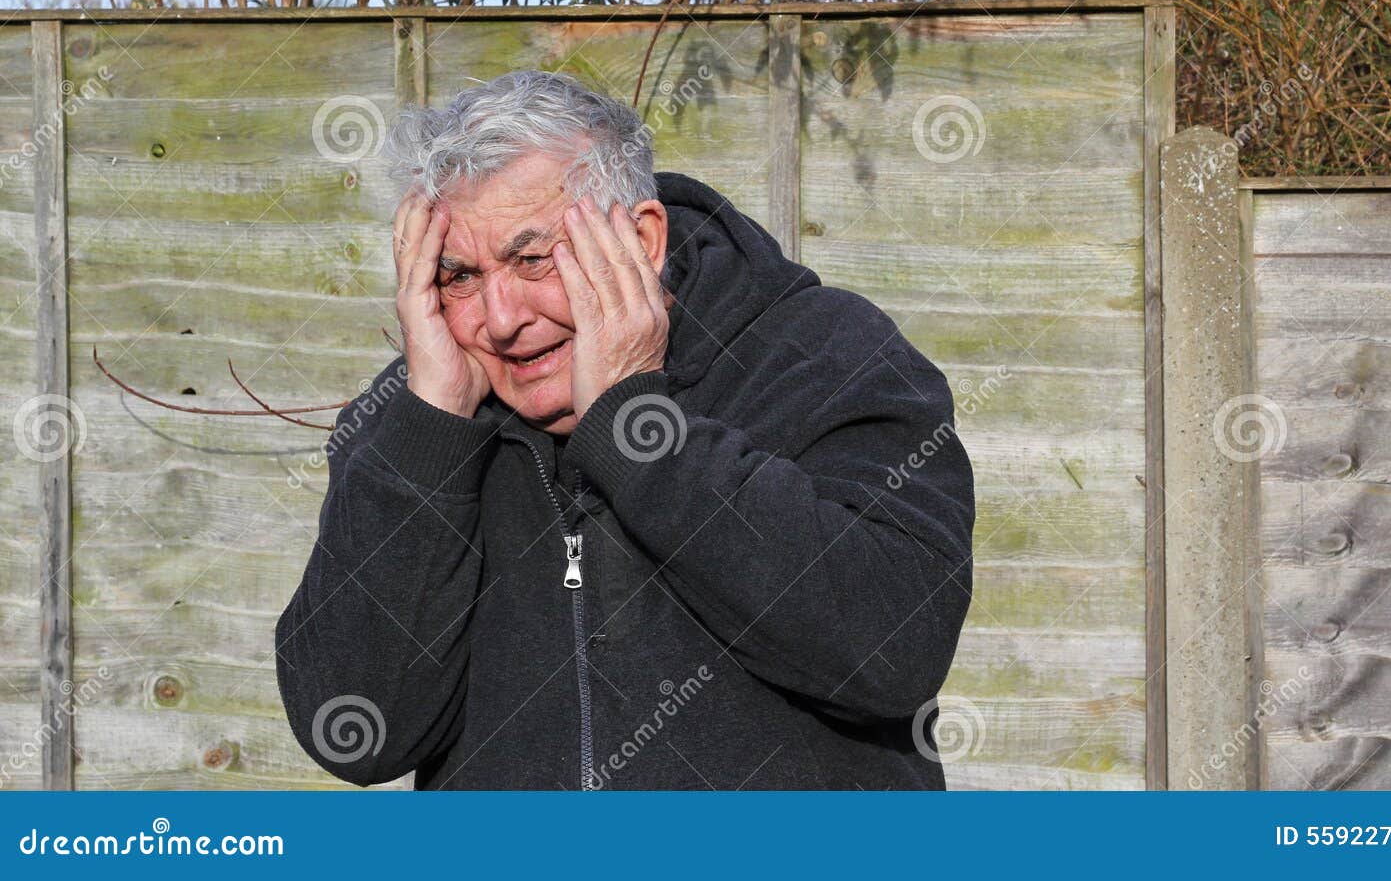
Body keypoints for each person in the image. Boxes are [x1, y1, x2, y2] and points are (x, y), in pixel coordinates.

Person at [274, 70, 975, 789]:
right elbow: (355, 732)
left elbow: (894, 646)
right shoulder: (422, 414)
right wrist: (429, 435)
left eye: (531, 258)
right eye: (459, 276)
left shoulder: (823, 354)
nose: (503, 317)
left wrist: (637, 426)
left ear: (642, 240)